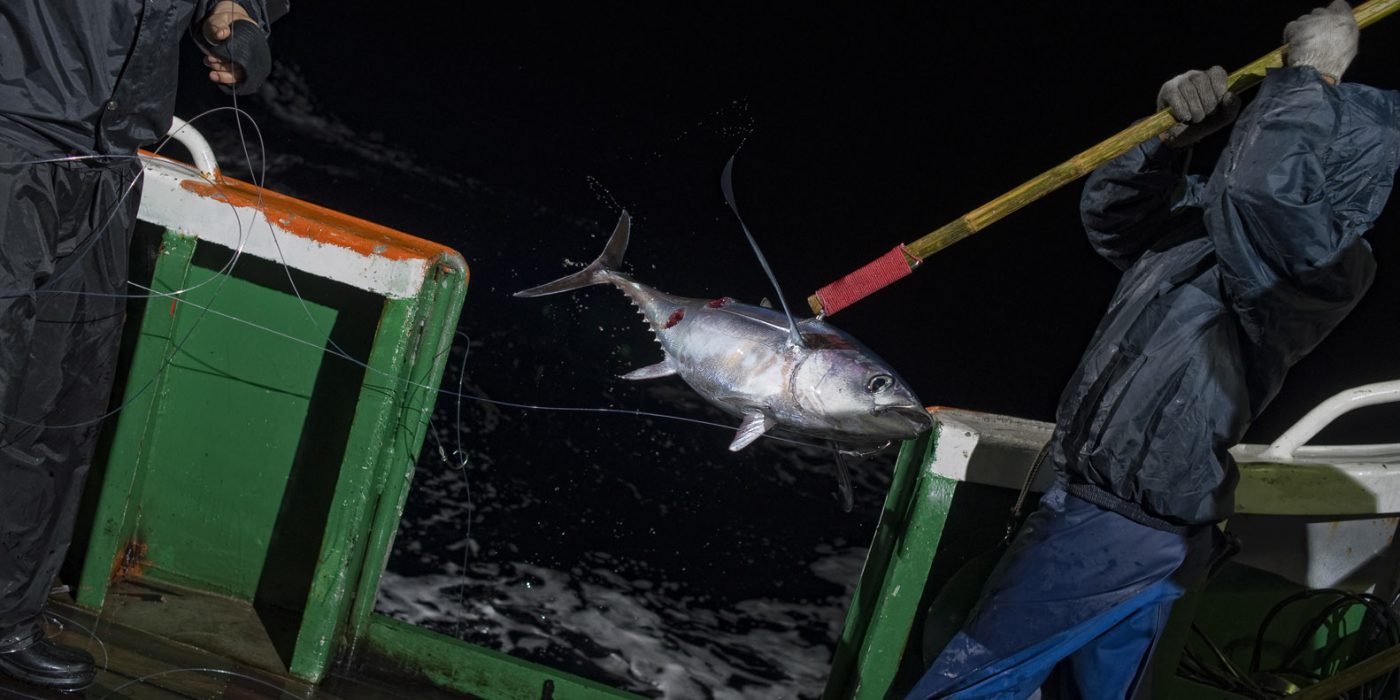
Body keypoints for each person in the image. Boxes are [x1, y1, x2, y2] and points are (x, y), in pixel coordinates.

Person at [909, 2, 1400, 698]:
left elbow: (1262, 195)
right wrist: (1167, 141)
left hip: (1121, 524)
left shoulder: (1325, 265)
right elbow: (1111, 220)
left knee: (968, 685)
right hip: (1129, 516)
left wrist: (1311, 75)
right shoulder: (1206, 221)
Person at [0, 1, 282, 689]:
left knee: (59, 405)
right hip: (13, 142)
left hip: (109, 161)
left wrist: (238, 15)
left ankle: (6, 619)